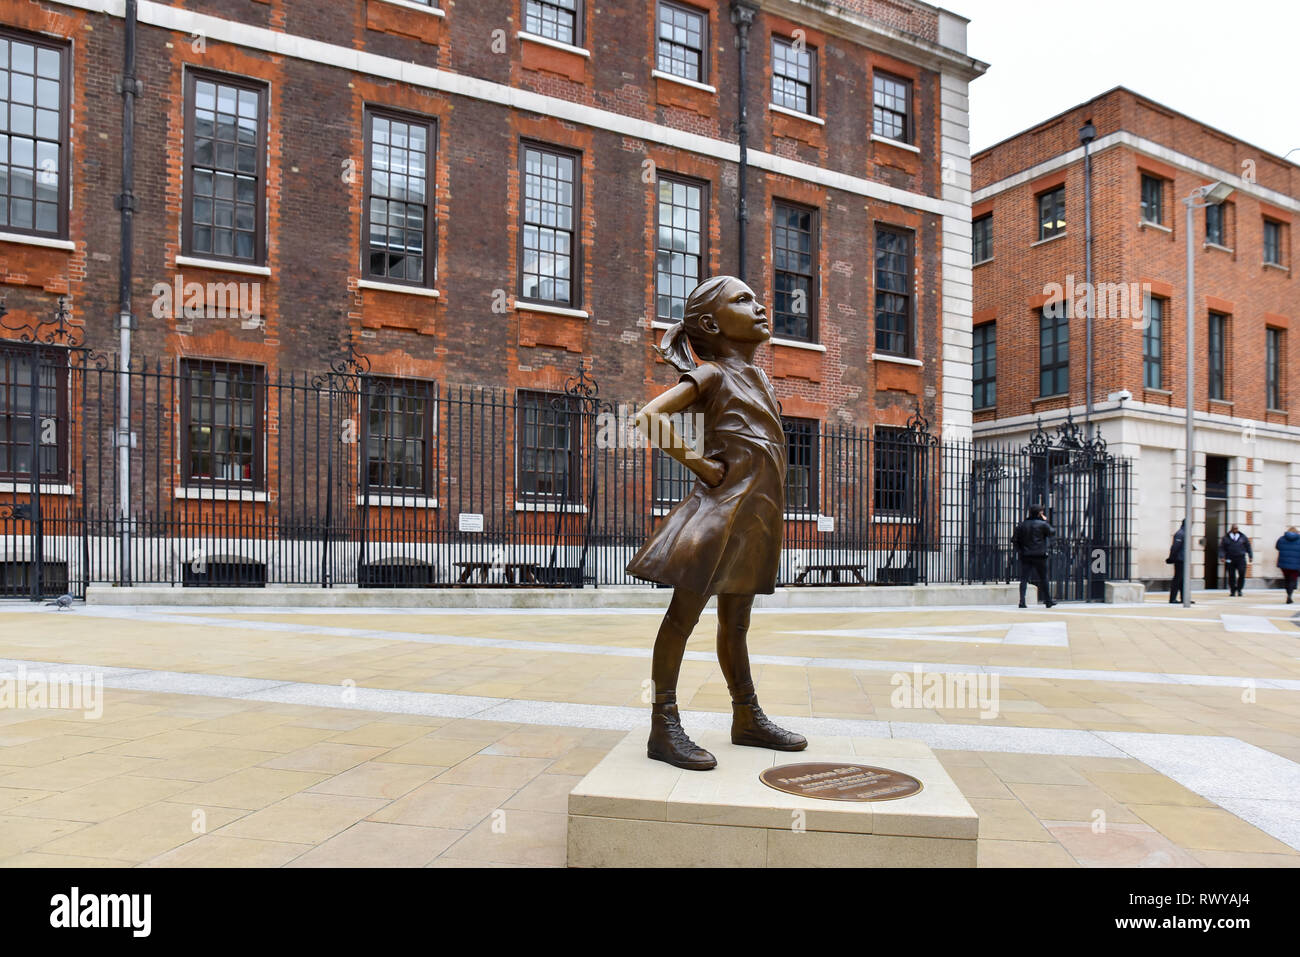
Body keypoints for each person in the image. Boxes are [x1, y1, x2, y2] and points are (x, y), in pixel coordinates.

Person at [627, 275, 807, 771]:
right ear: (710, 323)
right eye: (743, 300)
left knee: (737, 623)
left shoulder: (762, 379)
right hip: (720, 514)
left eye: (756, 298)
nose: (761, 306)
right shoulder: (713, 376)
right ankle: (663, 726)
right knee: (682, 618)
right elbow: (648, 416)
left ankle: (746, 716)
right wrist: (704, 467)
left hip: (756, 517)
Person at [1012, 505, 1055, 608]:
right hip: (1040, 555)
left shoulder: (1022, 525)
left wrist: (1020, 551)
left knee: (1024, 579)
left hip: (1026, 555)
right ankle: (1048, 600)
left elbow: (1014, 540)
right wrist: (1046, 520)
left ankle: (1022, 601)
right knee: (1043, 577)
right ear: (1039, 513)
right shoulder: (1043, 524)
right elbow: (1052, 532)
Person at [1219, 524, 1253, 596]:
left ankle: (1239, 589)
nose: (1235, 530)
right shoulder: (1226, 538)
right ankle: (1232, 590)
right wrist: (1222, 556)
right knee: (1231, 575)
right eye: (1234, 528)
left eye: (1236, 528)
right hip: (1230, 559)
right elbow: (1222, 548)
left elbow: (1248, 546)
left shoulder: (1243, 537)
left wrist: (1250, 556)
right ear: (1231, 529)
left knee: (1242, 573)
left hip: (1241, 558)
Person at [1276, 527, 1300, 604]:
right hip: (1296, 563)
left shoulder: (1281, 539)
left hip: (1284, 563)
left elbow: (1277, 547)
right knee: (1293, 579)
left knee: (1287, 578)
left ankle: (1288, 593)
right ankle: (1290, 595)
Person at [1167, 522, 1187, 604]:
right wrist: (1171, 558)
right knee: (1177, 579)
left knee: (1182, 580)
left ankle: (1184, 598)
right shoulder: (1180, 533)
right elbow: (1175, 547)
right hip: (1180, 560)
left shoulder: (1184, 533)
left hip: (1183, 559)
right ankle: (1172, 599)